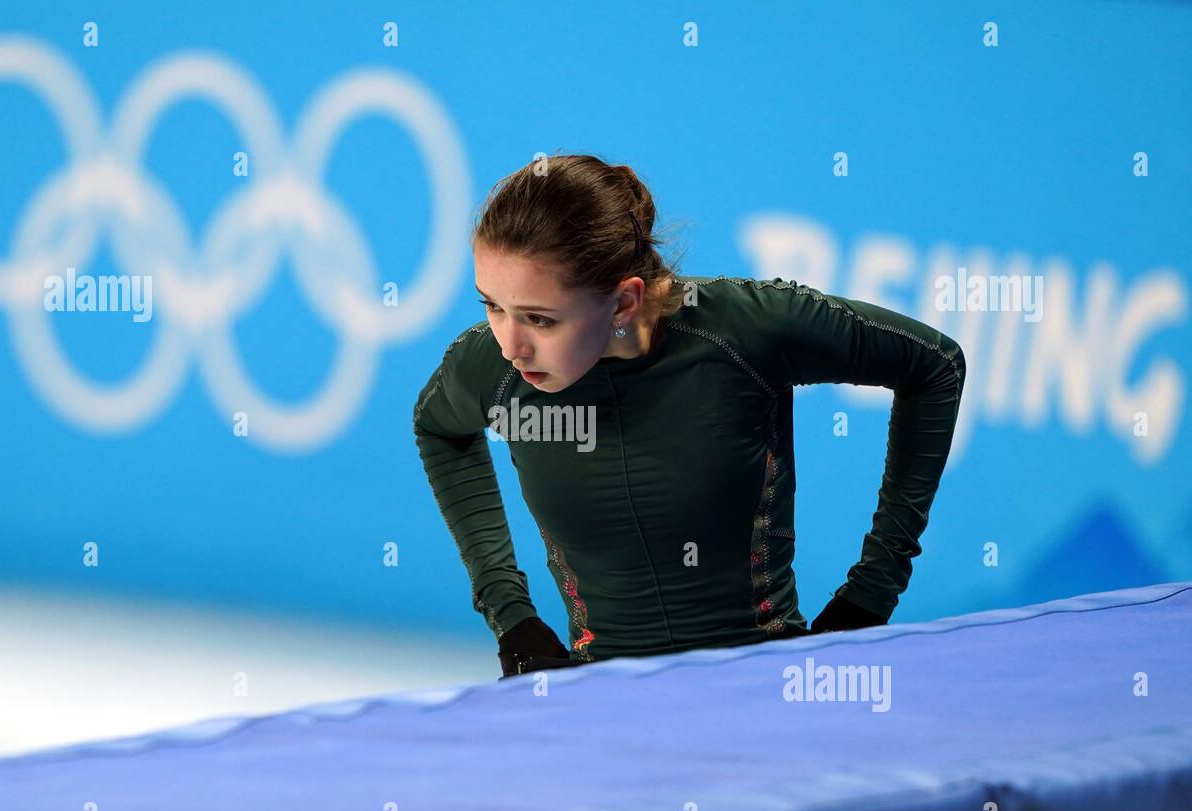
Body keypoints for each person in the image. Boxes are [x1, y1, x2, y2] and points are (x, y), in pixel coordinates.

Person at [413, 154, 966, 680]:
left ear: (625, 302)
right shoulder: (492, 368)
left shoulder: (745, 330)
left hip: (770, 702)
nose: (511, 344)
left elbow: (935, 365)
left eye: (540, 319)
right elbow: (438, 427)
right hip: (603, 721)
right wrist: (512, 618)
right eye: (491, 305)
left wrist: (872, 593)